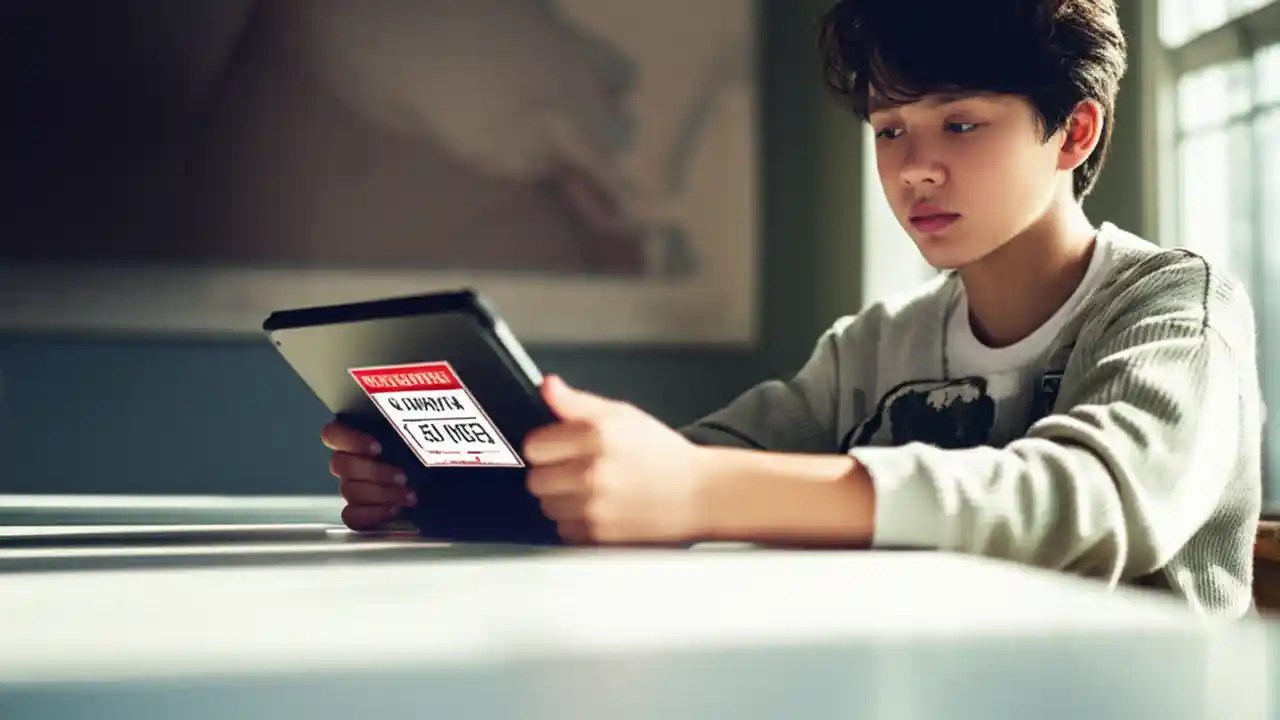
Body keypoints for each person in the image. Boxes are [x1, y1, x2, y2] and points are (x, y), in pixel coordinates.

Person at [322, 0, 1263, 617]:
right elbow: (705, 459)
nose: (913, 167)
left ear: (1076, 132)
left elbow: (1096, 502)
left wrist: (694, 490)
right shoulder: (877, 345)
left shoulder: (1175, 306)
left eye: (960, 123)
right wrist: (451, 484)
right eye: (889, 130)